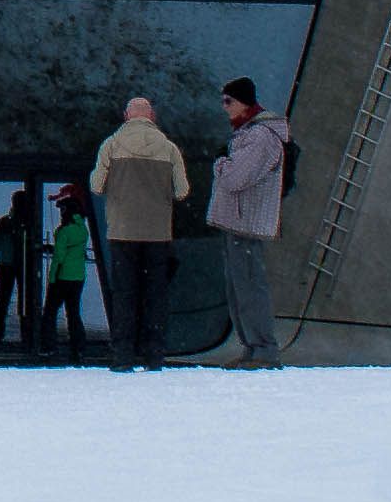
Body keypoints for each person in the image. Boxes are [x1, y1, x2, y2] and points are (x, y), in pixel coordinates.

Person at [90, 96, 191, 370]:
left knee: (124, 294)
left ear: (126, 116)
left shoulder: (110, 145)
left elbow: (97, 186)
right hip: (158, 233)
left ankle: (123, 355)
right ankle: (154, 354)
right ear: (152, 117)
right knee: (155, 294)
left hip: (122, 232)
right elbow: (182, 191)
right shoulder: (169, 148)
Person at [207, 78, 293, 369]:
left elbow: (235, 178)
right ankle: (253, 347)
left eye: (228, 101)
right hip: (238, 222)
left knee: (249, 285)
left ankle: (264, 349)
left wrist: (219, 163)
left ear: (244, 102)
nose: (224, 108)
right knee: (239, 287)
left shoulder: (261, 136)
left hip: (246, 222)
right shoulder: (249, 134)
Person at [0, 183, 41, 345]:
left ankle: (2, 334)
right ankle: (15, 333)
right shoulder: (12, 222)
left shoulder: (14, 222)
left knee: (10, 299)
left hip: (14, 264)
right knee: (12, 299)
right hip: (14, 264)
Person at [41, 184, 93, 360]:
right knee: (73, 313)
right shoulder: (82, 230)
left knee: (50, 312)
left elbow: (59, 257)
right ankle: (79, 347)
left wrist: (52, 277)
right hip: (78, 277)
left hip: (62, 277)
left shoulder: (63, 231)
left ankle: (48, 346)